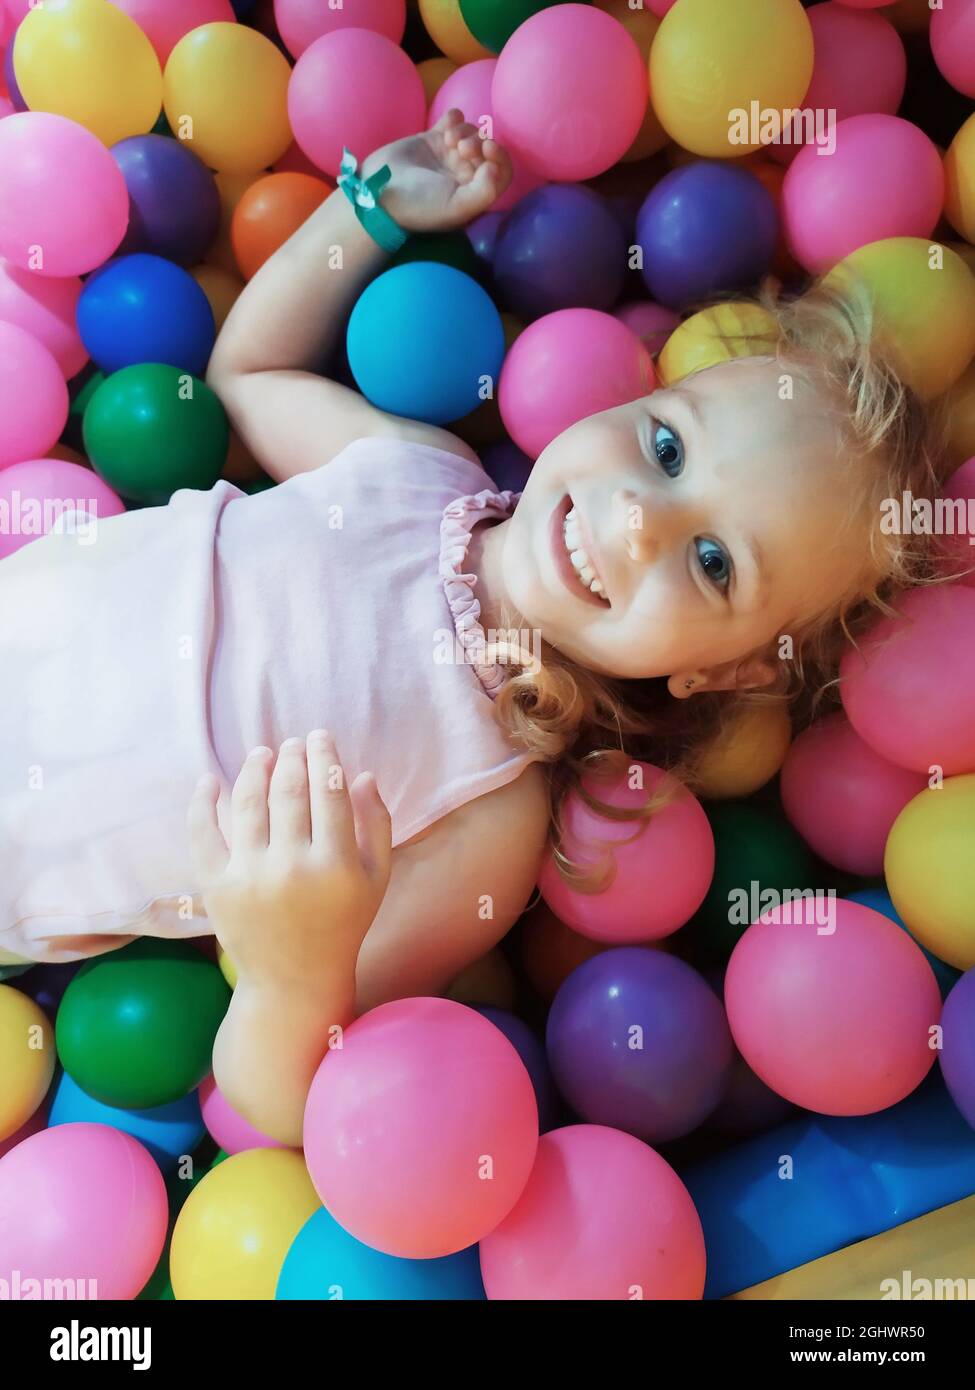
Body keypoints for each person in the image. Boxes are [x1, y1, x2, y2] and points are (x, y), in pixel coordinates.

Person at [0, 113, 947, 1142]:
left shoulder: (489, 809)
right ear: (637, 396)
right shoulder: (418, 473)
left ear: (720, 672)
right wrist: (370, 207)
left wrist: (290, 968)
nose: (638, 519)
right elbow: (247, 376)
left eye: (714, 562)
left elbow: (284, 1097)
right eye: (667, 449)